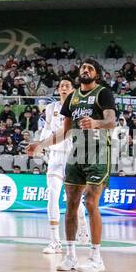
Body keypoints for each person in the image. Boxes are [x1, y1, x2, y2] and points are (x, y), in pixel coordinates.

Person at [28, 59, 116, 272]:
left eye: (90, 68)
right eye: (83, 68)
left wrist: (96, 123)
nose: (85, 70)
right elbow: (64, 132)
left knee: (92, 202)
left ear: (97, 73)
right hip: (75, 155)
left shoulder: (103, 93)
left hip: (98, 154)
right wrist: (41, 144)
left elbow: (111, 122)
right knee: (71, 206)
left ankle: (96, 258)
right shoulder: (73, 98)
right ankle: (70, 256)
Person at [33, 78, 89, 251]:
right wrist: (41, 144)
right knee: (52, 194)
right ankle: (54, 241)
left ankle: (83, 227)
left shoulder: (79, 108)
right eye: (61, 86)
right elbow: (47, 129)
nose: (63, 88)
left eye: (67, 86)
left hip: (74, 156)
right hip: (56, 156)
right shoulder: (51, 109)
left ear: (73, 90)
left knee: (75, 200)